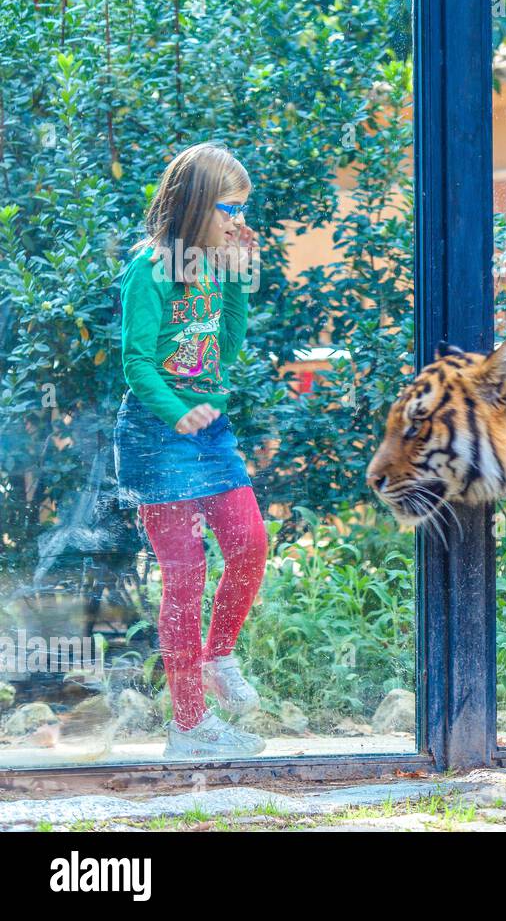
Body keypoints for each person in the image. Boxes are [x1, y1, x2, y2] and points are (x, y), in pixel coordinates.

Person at [113, 141, 268, 759]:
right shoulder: (149, 269)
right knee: (185, 578)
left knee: (250, 545)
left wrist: (235, 282)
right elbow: (136, 363)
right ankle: (190, 726)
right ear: (198, 205)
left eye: (242, 208)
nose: (239, 220)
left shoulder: (210, 265)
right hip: (158, 435)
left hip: (208, 428)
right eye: (230, 207)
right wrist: (179, 415)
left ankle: (220, 654)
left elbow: (225, 350)